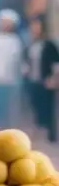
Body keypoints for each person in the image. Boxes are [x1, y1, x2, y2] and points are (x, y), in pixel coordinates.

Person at [25, 14, 59, 143]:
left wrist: (54, 78)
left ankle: (50, 134)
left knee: (48, 107)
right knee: (35, 105)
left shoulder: (49, 45)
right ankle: (38, 129)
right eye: (32, 26)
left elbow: (56, 63)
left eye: (37, 26)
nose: (34, 29)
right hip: (33, 80)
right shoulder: (31, 45)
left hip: (46, 81)